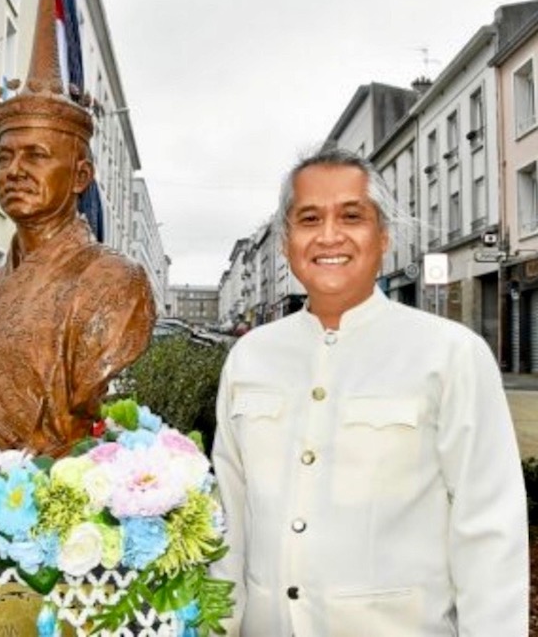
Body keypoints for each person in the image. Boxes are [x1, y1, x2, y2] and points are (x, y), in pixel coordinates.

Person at [211, 147, 528, 636]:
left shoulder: (450, 354)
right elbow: (227, 519)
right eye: (309, 218)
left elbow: (489, 530)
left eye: (352, 216)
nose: (329, 235)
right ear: (286, 241)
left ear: (383, 237)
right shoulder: (250, 358)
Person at [0, 0, 155, 458]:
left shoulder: (115, 283)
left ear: (81, 174)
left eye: (37, 155)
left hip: (56, 495)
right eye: (5, 156)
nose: (14, 171)